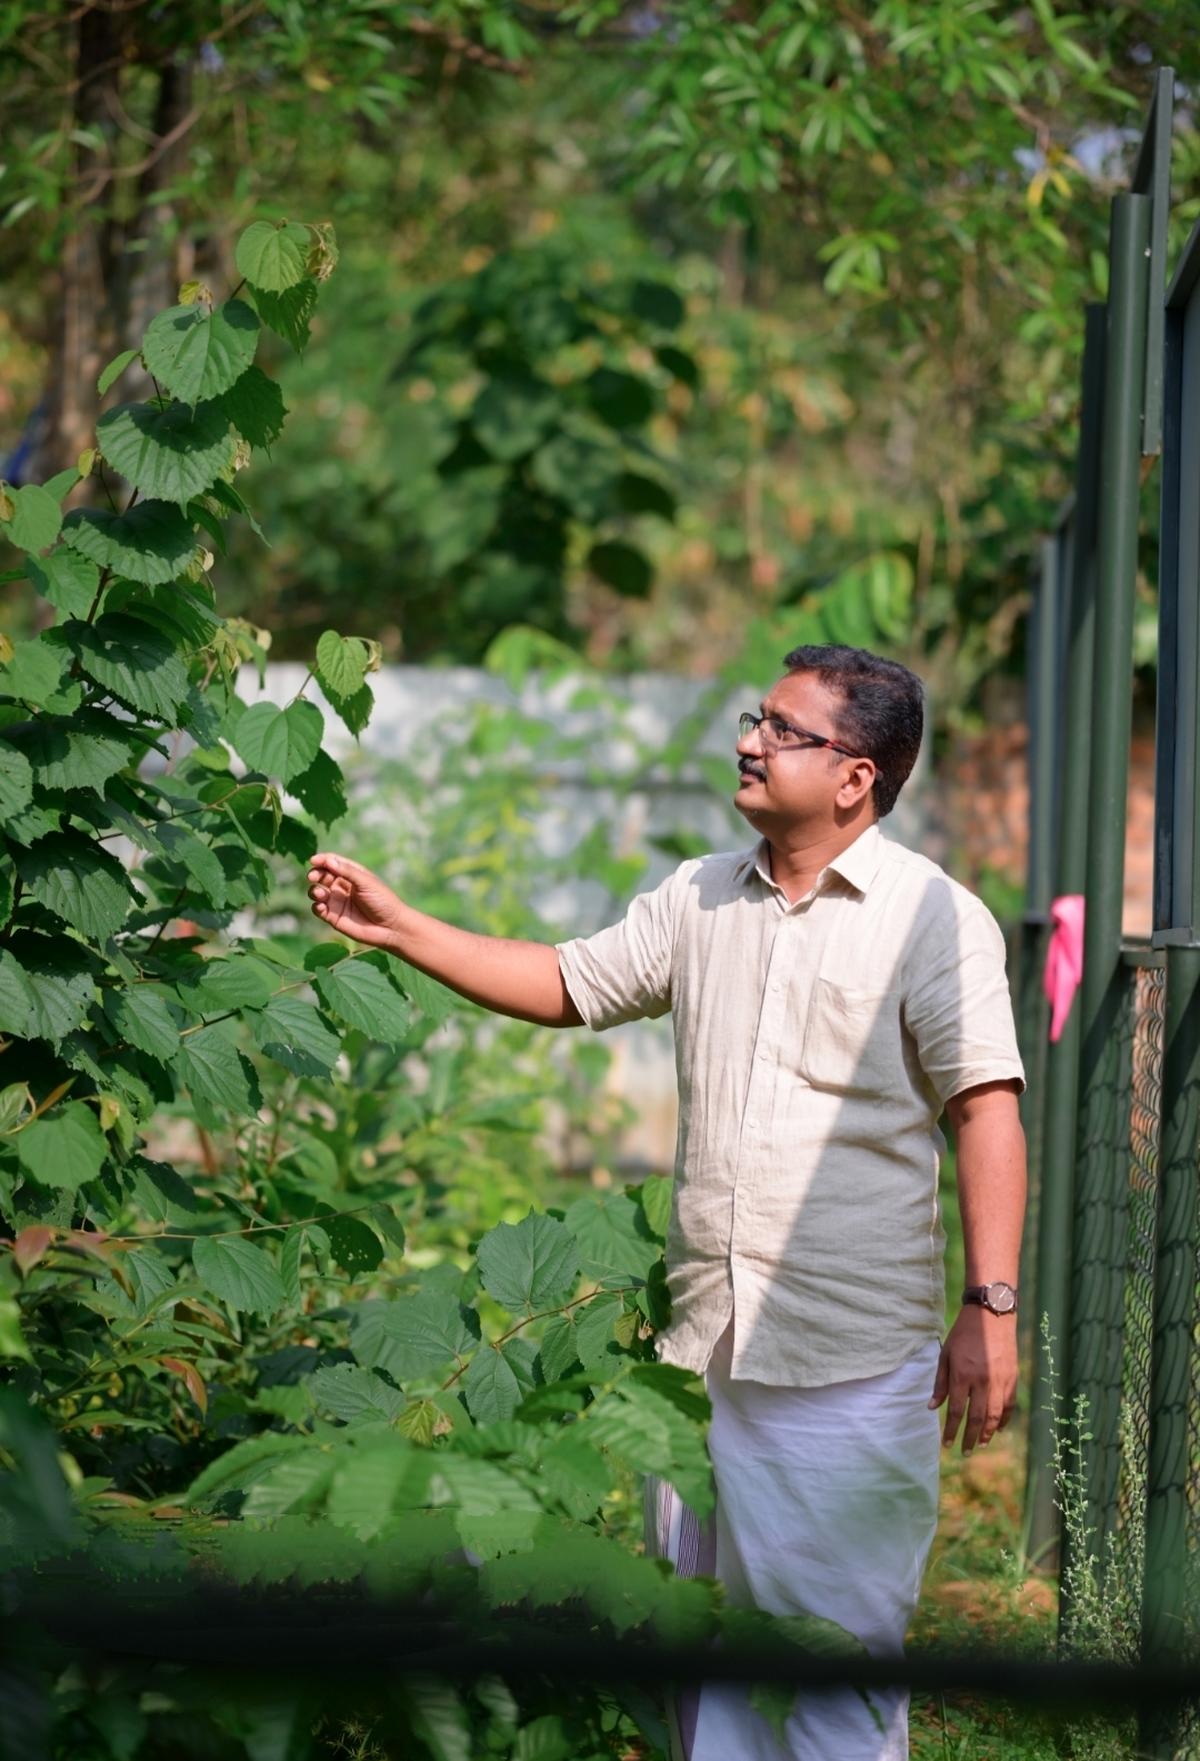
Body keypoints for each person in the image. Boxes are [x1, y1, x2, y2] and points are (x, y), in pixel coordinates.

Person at [306, 642, 1027, 1761]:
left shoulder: (934, 919)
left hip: (845, 1359)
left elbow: (986, 1111)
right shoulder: (698, 895)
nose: (750, 741)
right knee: (702, 1671)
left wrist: (990, 1306)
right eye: (757, 718)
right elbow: (566, 983)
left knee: (832, 1672)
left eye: (786, 731)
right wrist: (405, 929)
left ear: (856, 777)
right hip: (701, 1357)